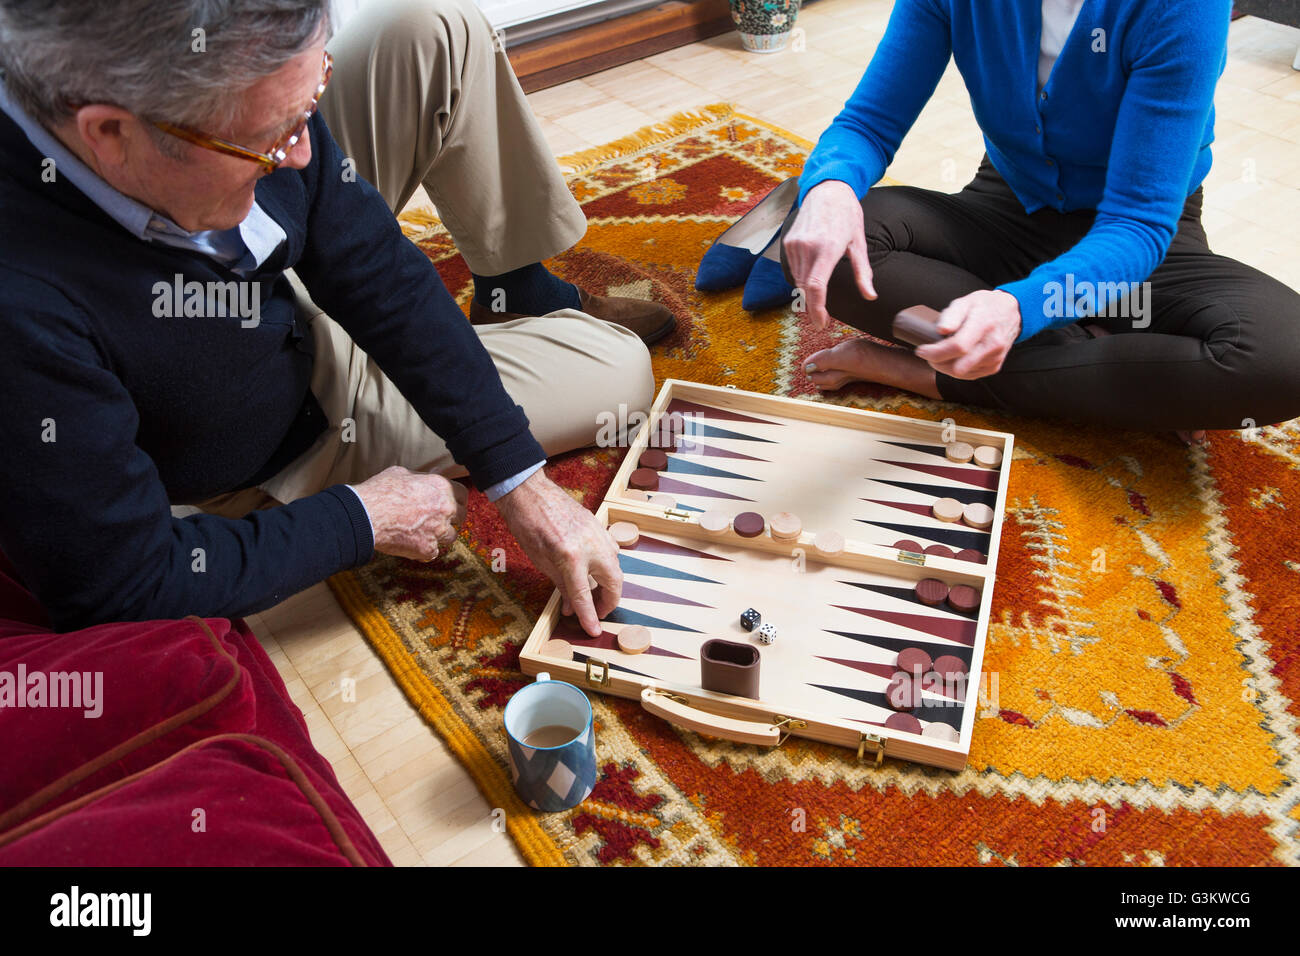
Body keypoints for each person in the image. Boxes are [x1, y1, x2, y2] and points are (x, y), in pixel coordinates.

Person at [0, 0, 665, 634]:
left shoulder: (217, 97)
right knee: (620, 368)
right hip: (250, 439)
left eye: (308, 106)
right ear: (111, 133)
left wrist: (519, 479)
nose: (302, 155)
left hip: (272, 303)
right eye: (270, 138)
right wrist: (361, 518)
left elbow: (372, 263)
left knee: (429, 24)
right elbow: (122, 586)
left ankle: (514, 289)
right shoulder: (23, 310)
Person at [781, 0, 1300, 446]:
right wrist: (831, 189)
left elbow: (1139, 224)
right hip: (1007, 207)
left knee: (1281, 356)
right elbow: (868, 123)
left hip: (1138, 237)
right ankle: (1113, 369)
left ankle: (923, 375)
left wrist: (1020, 307)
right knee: (822, 246)